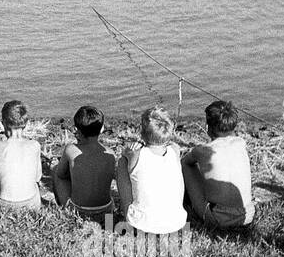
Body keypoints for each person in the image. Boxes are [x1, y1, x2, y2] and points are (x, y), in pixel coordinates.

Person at [181, 99, 256, 232]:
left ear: (208, 128)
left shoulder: (203, 151)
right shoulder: (241, 142)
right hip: (248, 215)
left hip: (218, 219)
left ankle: (182, 199)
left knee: (187, 165)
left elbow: (186, 161)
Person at [117, 106, 187, 239]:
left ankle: (125, 209)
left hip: (141, 223)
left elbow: (124, 153)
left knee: (122, 162)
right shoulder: (175, 151)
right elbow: (172, 145)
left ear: (142, 133)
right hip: (175, 223)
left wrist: (129, 150)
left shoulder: (137, 155)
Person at [52, 104, 116, 221]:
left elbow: (61, 175)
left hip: (79, 211)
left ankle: (63, 210)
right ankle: (108, 226)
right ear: (101, 129)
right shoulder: (111, 153)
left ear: (77, 130)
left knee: (56, 171)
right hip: (106, 211)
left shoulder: (71, 150)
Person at [0, 99, 43, 213]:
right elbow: (37, 177)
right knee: (34, 185)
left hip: (3, 204)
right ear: (26, 123)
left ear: (3, 123)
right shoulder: (35, 145)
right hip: (30, 204)